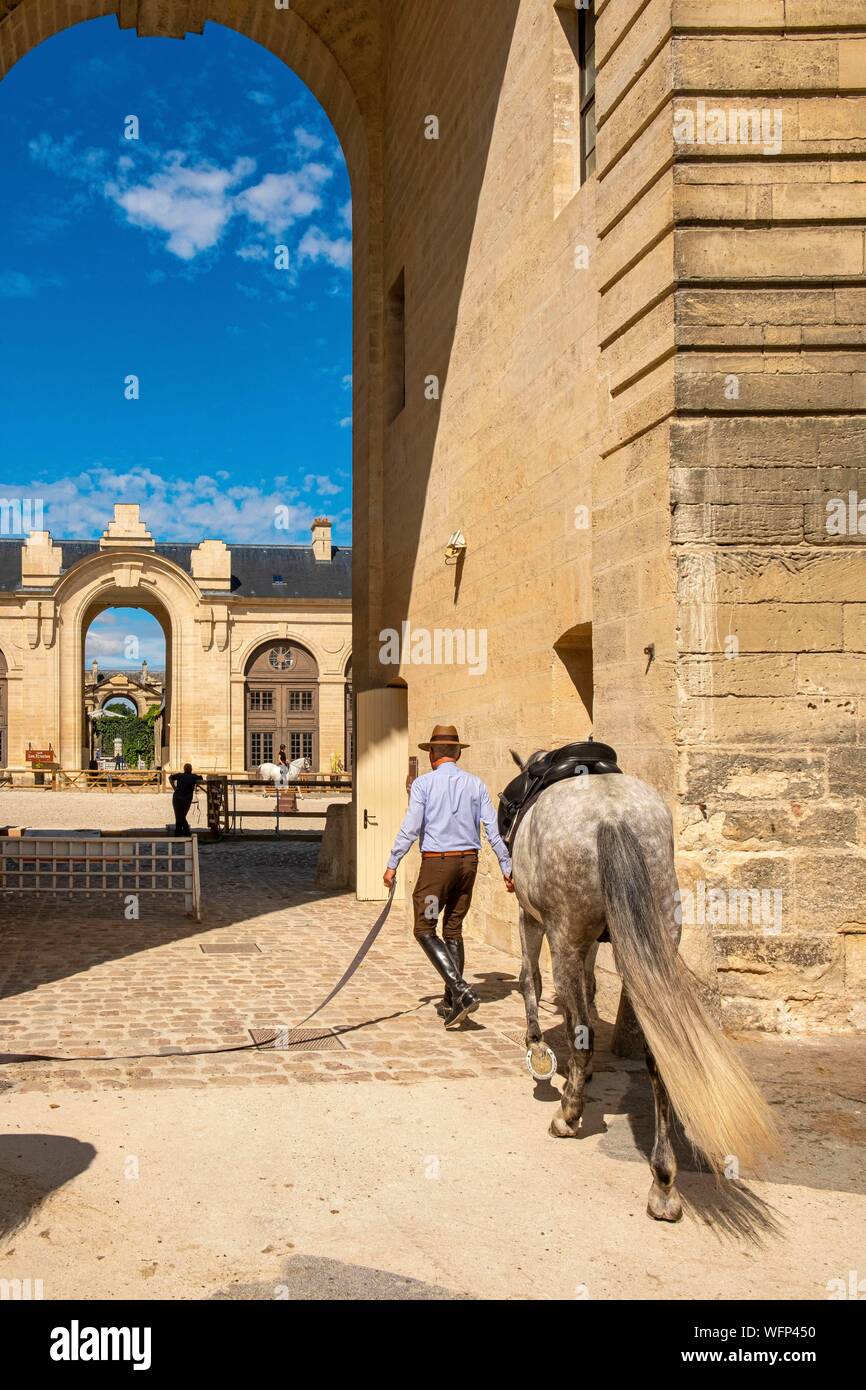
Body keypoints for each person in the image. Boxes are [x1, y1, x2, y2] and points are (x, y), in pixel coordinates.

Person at [383, 724, 514, 1029]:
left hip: (437, 870)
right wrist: (507, 867)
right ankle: (450, 1001)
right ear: (457, 753)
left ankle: (461, 990)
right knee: (453, 929)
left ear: (431, 754)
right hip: (468, 865)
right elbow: (493, 831)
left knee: (425, 928)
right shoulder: (476, 784)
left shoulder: (423, 785)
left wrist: (392, 862)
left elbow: (411, 827)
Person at [169, 763, 203, 836]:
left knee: (179, 816)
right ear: (191, 769)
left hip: (177, 798)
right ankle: (185, 833)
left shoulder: (180, 775)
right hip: (186, 799)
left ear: (184, 769)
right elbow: (201, 778)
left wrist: (174, 787)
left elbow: (170, 777)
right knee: (181, 816)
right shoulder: (193, 777)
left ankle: (179, 834)